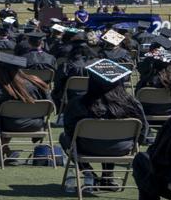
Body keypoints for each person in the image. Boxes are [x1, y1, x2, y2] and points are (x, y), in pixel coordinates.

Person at [60, 59, 144, 190]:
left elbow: (69, 131)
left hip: (87, 148)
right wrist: (134, 144)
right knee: (111, 135)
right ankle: (108, 177)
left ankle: (89, 172)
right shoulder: (132, 103)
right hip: (121, 148)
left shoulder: (77, 103)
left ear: (91, 81)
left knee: (63, 137)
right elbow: (143, 130)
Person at [0, 53, 51, 162]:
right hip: (36, 125)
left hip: (10, 126)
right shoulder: (36, 83)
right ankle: (5, 149)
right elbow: (50, 107)